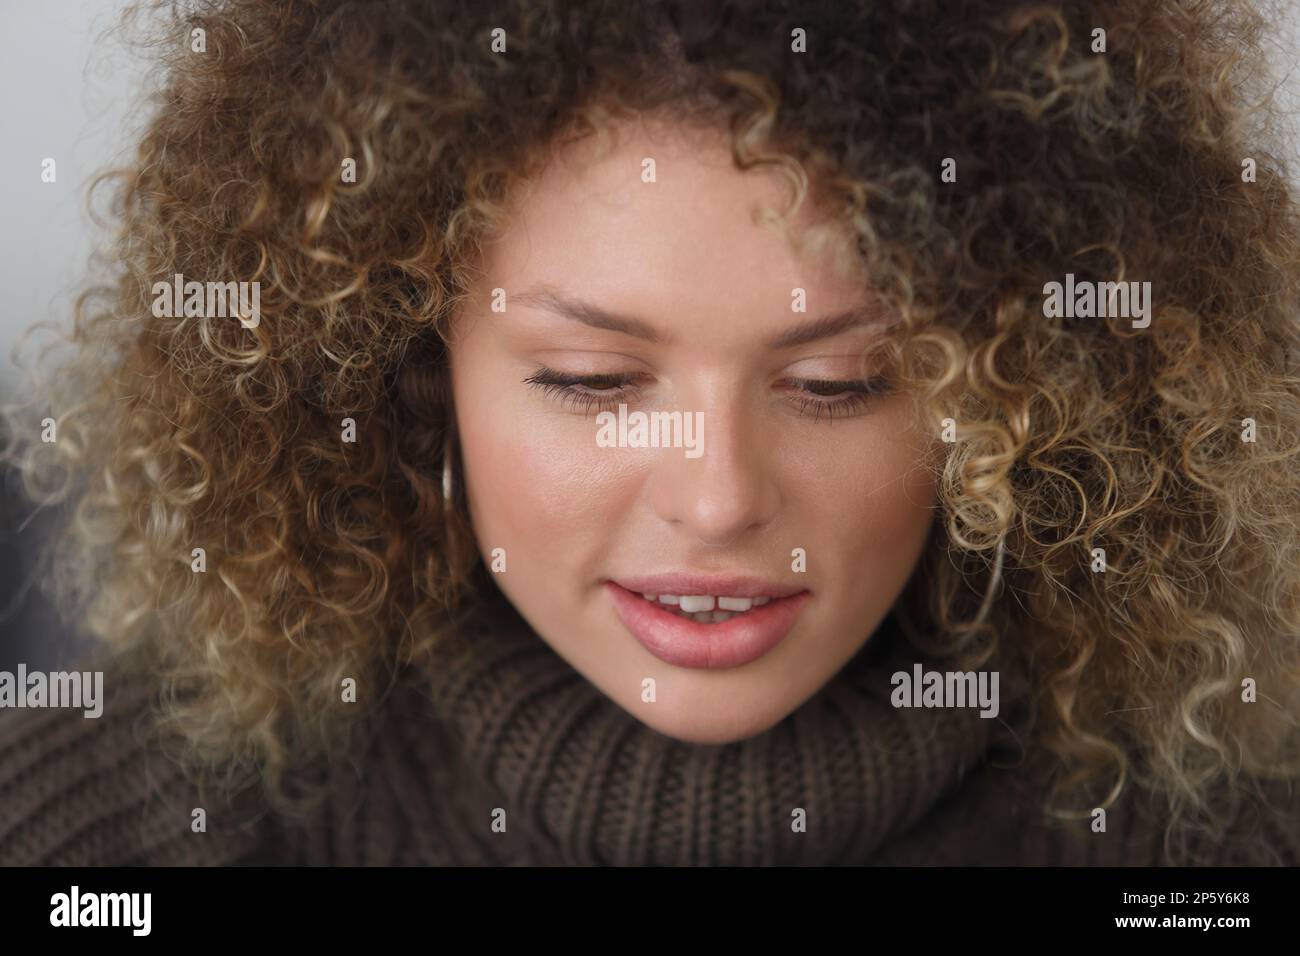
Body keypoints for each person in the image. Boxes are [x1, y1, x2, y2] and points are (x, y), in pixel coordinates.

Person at [1, 0, 1298, 866]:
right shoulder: (89, 835)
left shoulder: (1225, 849)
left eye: (840, 383)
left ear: (1026, 395)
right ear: (404, 369)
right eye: (589, 378)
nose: (719, 499)